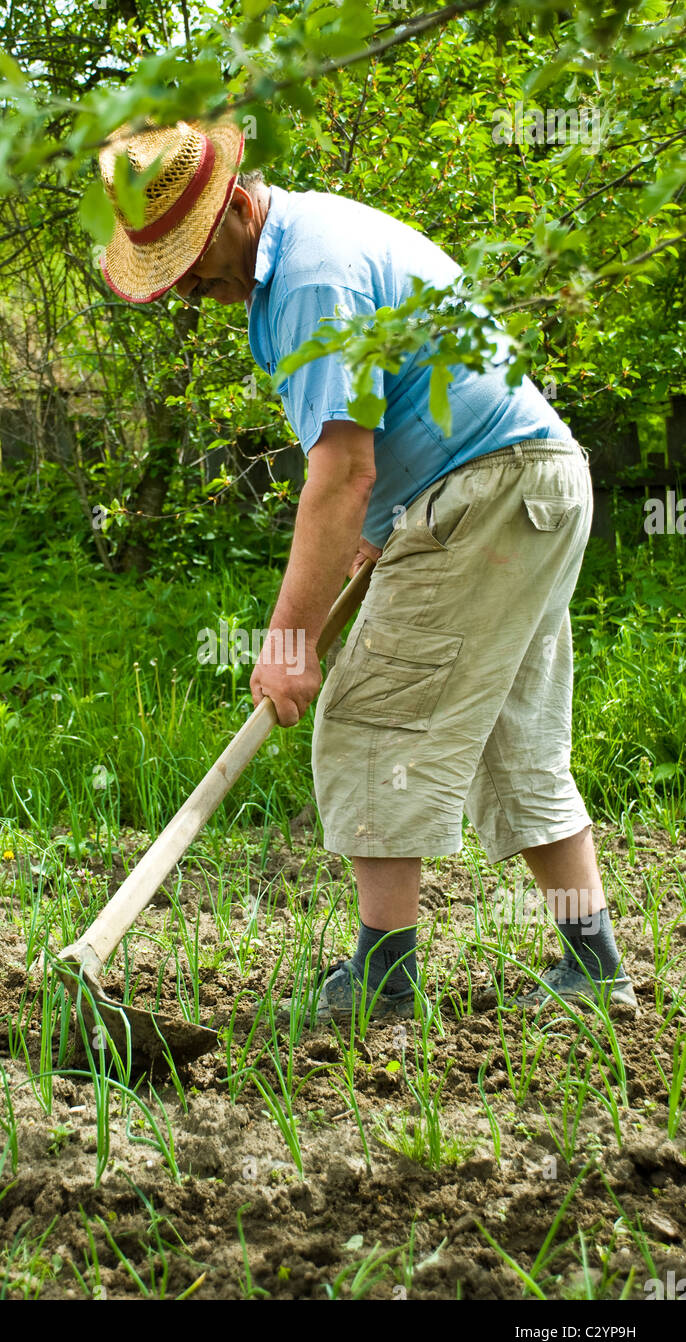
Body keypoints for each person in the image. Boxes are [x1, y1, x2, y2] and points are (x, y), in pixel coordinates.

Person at [96, 117, 637, 1024]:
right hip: (530, 484)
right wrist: (386, 530)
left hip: (490, 494)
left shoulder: (310, 273)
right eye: (168, 268)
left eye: (191, 255)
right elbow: (382, 440)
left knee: (368, 716)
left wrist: (290, 641)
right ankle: (596, 965)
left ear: (234, 203)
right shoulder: (311, 246)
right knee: (516, 744)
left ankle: (385, 982)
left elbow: (341, 472)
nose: (187, 283)